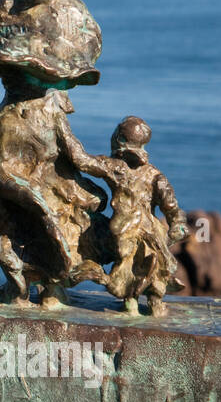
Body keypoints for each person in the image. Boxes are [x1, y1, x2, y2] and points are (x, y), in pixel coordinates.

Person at [0, 0, 111, 306]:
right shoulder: (2, 7)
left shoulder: (65, 5)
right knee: (0, 197)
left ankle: (54, 280)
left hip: (46, 111)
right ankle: (19, 279)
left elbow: (89, 47)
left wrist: (47, 61)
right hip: (11, 112)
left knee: (51, 190)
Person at [75, 116, 188, 316]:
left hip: (125, 230)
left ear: (119, 141)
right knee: (150, 268)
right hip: (147, 231)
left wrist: (62, 140)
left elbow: (82, 161)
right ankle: (150, 303)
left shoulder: (117, 169)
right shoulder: (155, 175)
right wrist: (177, 223)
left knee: (133, 268)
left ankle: (133, 301)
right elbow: (170, 205)